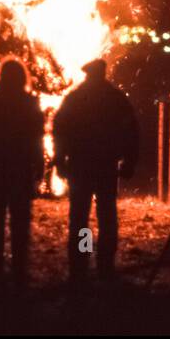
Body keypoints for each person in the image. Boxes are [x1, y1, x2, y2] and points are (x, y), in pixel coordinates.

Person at [53, 58, 139, 281]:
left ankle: (80, 263)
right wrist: (129, 161)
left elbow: (60, 130)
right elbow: (131, 132)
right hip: (105, 165)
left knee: (80, 217)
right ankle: (104, 264)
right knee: (107, 215)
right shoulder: (116, 98)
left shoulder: (75, 98)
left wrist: (60, 160)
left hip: (81, 165)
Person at [0, 58, 44, 282]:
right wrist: (39, 165)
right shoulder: (30, 103)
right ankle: (19, 265)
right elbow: (36, 139)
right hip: (20, 167)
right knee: (20, 218)